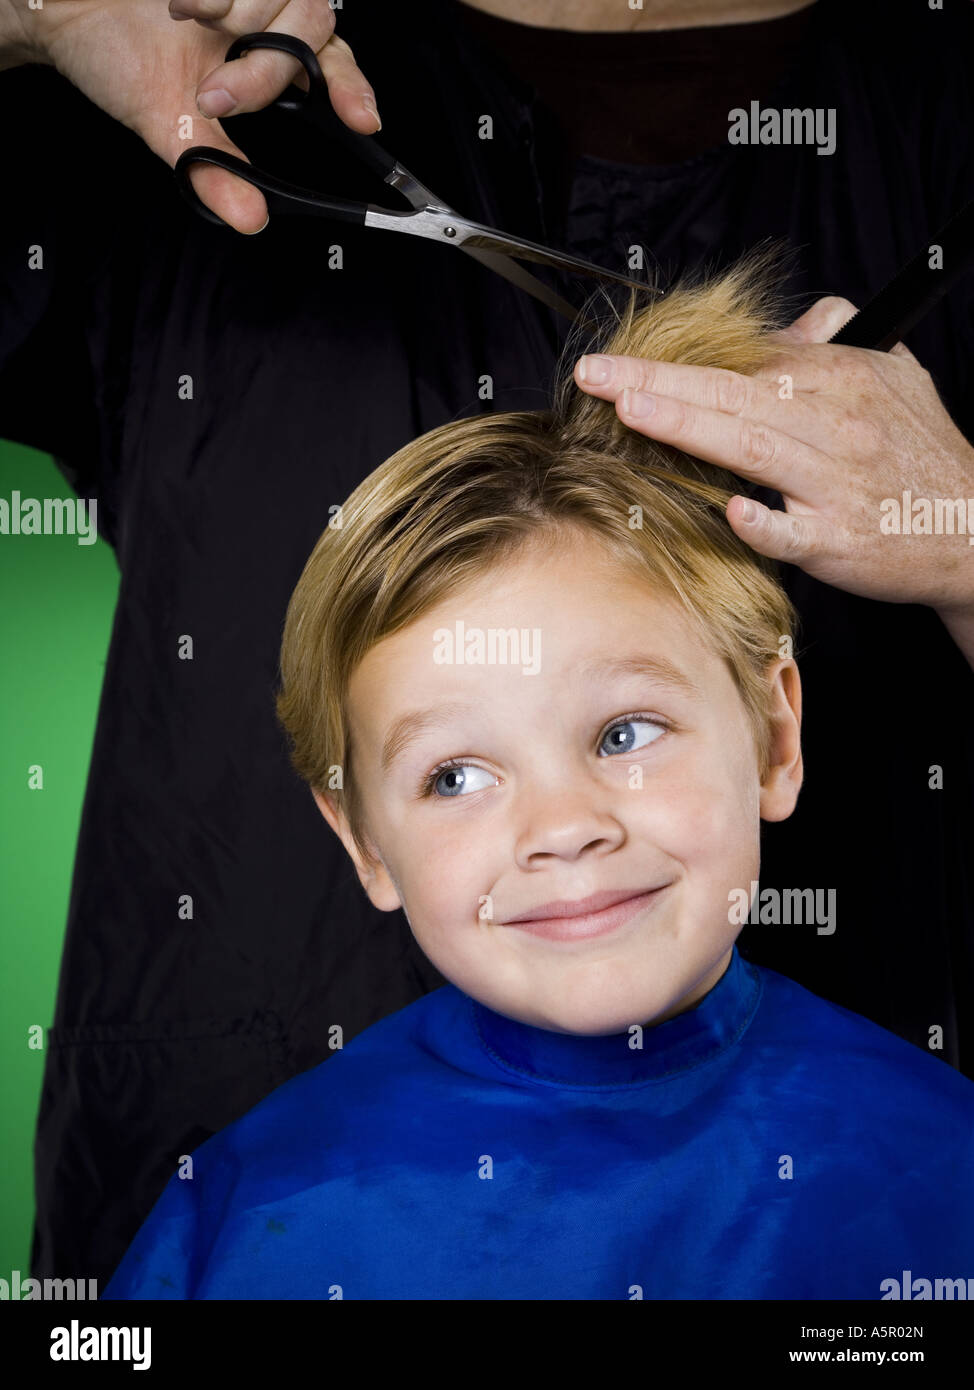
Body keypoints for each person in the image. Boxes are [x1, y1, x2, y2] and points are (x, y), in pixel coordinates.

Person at [1, 0, 972, 1291]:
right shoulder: (187, 88)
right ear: (354, 834)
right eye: (453, 773)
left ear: (775, 732)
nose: (560, 826)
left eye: (623, 733)